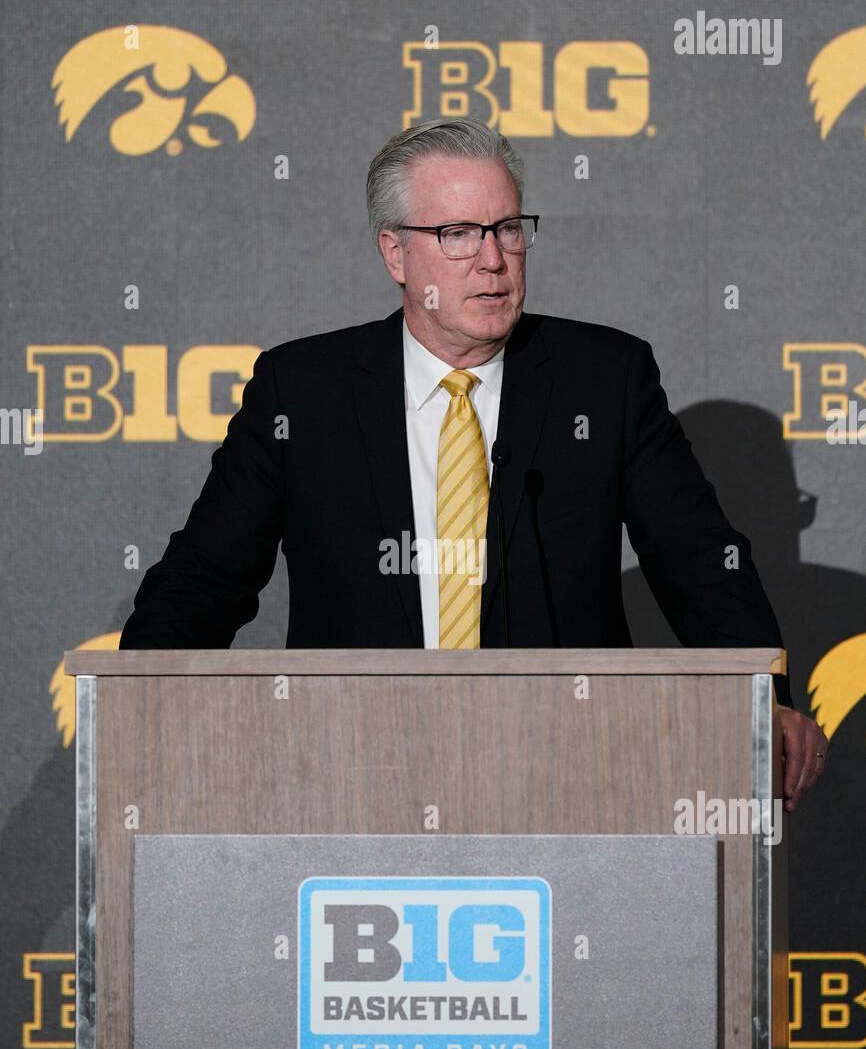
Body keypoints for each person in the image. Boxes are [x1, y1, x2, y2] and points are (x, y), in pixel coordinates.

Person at [119, 117, 827, 811]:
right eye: (457, 234)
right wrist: (134, 705)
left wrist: (763, 695)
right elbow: (206, 578)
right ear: (395, 255)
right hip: (355, 771)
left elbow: (698, 558)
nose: (493, 259)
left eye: (508, 229)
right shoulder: (303, 391)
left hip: (570, 775)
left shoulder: (603, 379)